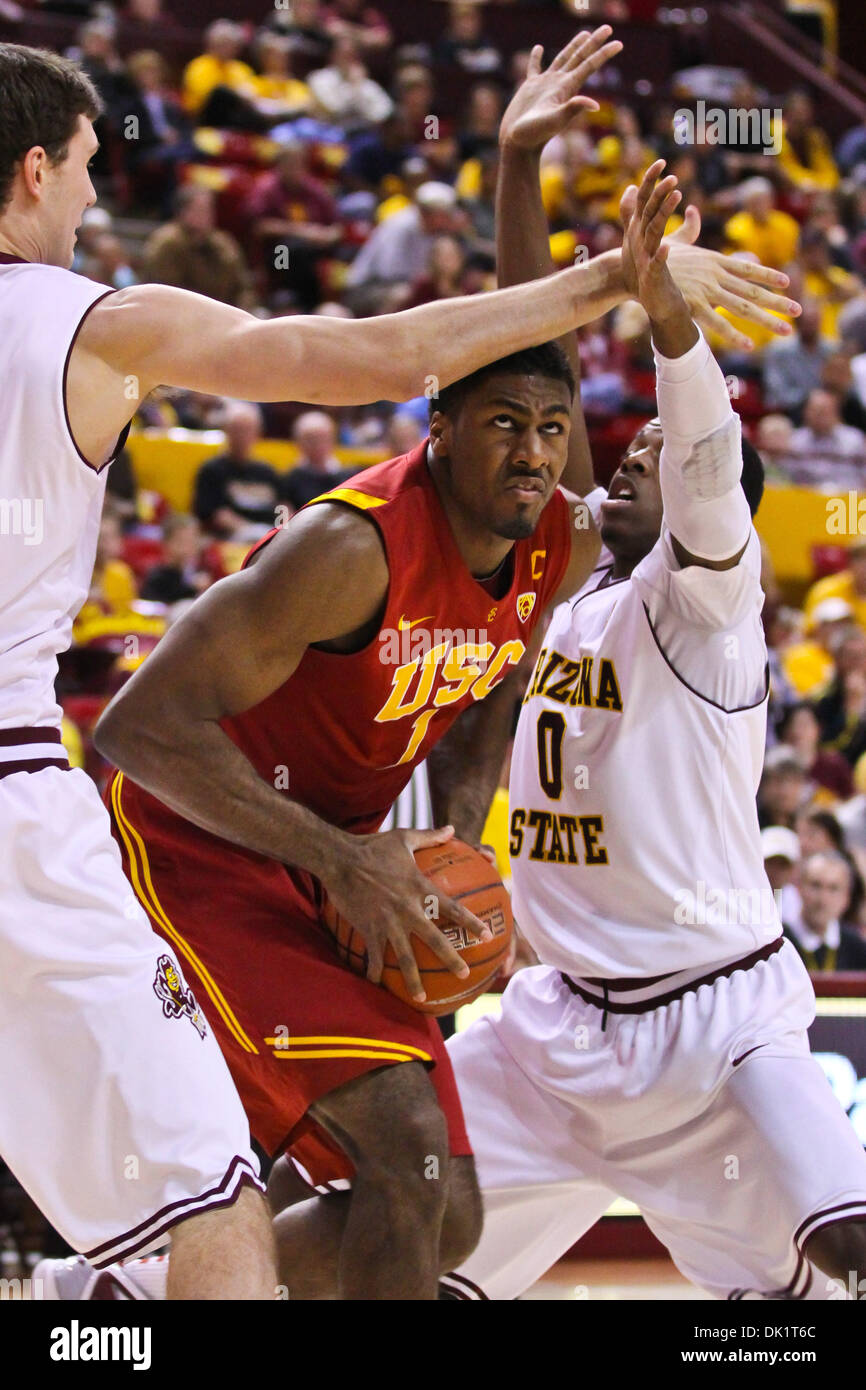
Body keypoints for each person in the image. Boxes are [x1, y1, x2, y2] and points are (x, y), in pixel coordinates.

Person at [25, 25, 797, 1303]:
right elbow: (135, 729)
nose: (538, 450)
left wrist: (461, 841)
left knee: (438, 1212)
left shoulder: (549, 538)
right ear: (438, 434)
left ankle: (112, 1306)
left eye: (557, 433)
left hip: (334, 858)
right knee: (404, 1157)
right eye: (504, 430)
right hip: (204, 843)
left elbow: (522, 383)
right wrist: (346, 858)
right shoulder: (348, 549)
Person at [439, 38, 866, 1303]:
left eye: (630, 461)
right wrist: (515, 163)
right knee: (381, 1217)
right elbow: (526, 369)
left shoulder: (706, 605)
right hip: (552, 1028)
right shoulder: (560, 574)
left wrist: (663, 309)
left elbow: (700, 454)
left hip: (717, 1024)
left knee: (836, 1261)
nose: (599, 460)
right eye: (590, 457)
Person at [0, 39, 275, 1301]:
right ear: (36, 168)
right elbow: (378, 358)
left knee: (123, 1268)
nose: (99, 204)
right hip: (13, 801)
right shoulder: (85, 322)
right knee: (206, 1197)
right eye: (91, 175)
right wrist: (598, 285)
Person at [140, 186, 254, 309]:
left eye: (209, 209)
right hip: (179, 315)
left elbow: (243, 287)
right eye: (200, 210)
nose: (206, 215)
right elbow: (165, 291)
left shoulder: (223, 244)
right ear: (182, 212)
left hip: (224, 317)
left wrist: (241, 313)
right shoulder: (166, 244)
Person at [193, 402, 280, 540]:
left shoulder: (267, 472)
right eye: (237, 429)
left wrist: (284, 529)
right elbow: (211, 514)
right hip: (228, 540)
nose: (242, 436)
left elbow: (284, 506)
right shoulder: (212, 470)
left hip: (268, 537)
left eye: (248, 429)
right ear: (226, 431)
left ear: (258, 433)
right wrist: (250, 531)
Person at [783, 853, 866, 971]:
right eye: (816, 886)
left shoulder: (857, 947)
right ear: (799, 888)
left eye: (833, 888)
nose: (823, 899)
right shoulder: (778, 942)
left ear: (846, 897)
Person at [280, 410, 352, 511]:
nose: (317, 445)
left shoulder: (348, 476)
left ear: (333, 439)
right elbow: (284, 514)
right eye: (310, 439)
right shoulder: (291, 478)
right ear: (298, 442)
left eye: (322, 438)